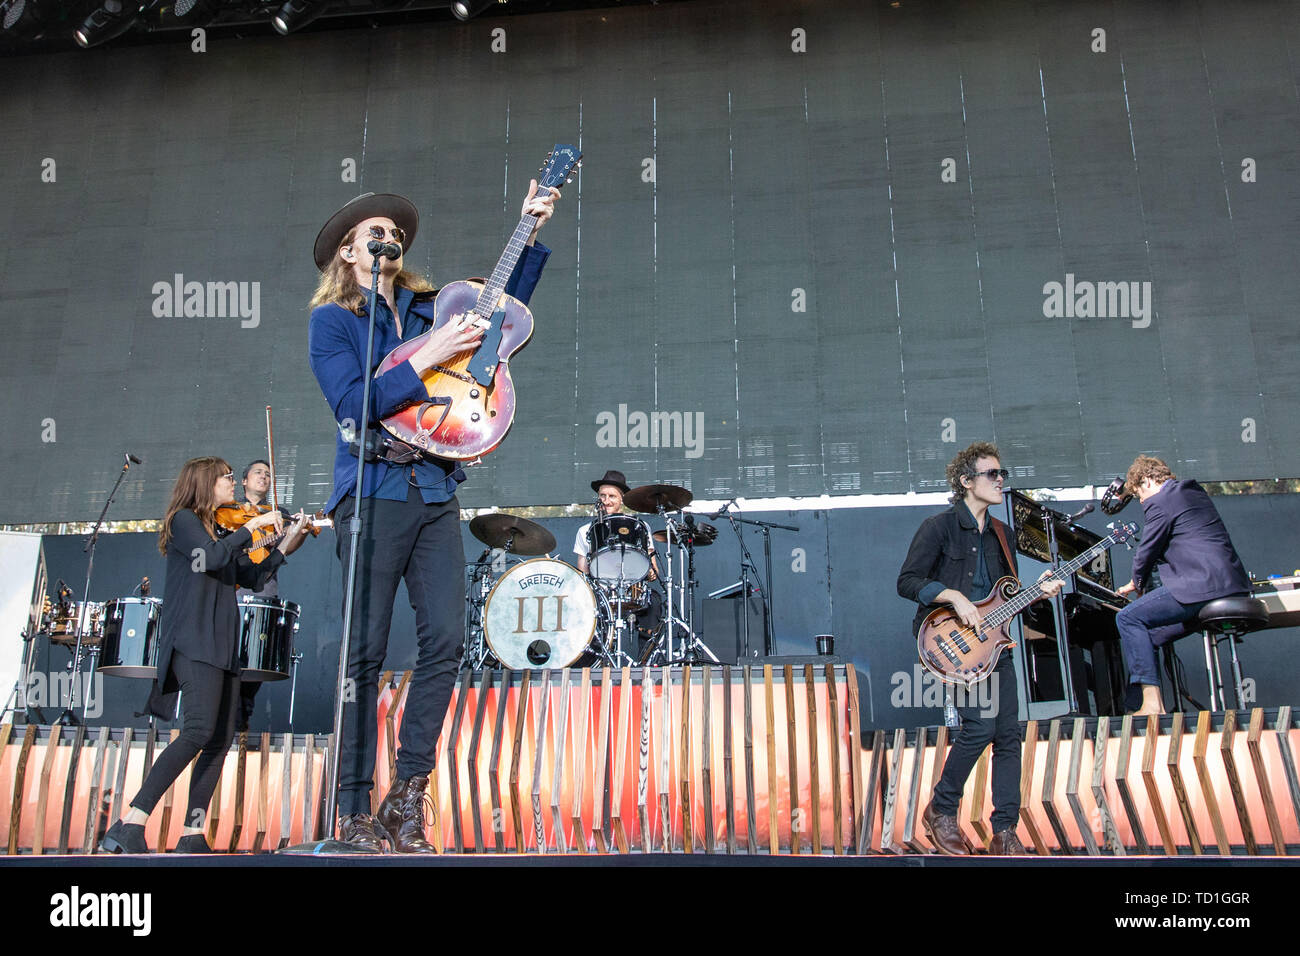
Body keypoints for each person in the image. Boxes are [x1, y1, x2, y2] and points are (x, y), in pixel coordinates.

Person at [308, 184, 559, 852]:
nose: (387, 236)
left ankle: (406, 796)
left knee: (445, 641)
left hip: (435, 492)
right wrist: (426, 353)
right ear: (347, 250)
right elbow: (354, 404)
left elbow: (505, 311)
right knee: (363, 653)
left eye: (394, 230)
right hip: (370, 492)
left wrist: (528, 229)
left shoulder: (429, 307)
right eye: (373, 231)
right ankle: (352, 810)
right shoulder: (334, 323)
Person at [101, 457, 306, 854]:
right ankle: (130, 823)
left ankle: (191, 833)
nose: (232, 483)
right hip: (194, 641)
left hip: (223, 644)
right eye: (227, 477)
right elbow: (211, 558)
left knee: (219, 738)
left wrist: (284, 545)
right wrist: (249, 529)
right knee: (197, 731)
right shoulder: (184, 521)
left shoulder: (216, 530)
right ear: (205, 482)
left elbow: (251, 576)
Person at [897, 441, 1062, 856]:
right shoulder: (938, 527)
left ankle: (1004, 832)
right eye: (992, 474)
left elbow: (1006, 598)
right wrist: (952, 595)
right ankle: (942, 810)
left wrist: (1038, 593)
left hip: (995, 646)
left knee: (1009, 735)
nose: (1000, 480)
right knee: (980, 728)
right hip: (953, 643)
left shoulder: (1003, 535)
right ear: (966, 482)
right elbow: (908, 582)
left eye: (1002, 474)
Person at [1115, 455, 1251, 716]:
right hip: (1230, 584)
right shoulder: (1192, 492)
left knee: (1128, 618)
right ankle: (1133, 707)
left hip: (1202, 587)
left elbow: (1146, 551)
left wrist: (1138, 583)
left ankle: (1153, 705)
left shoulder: (1161, 500)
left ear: (1147, 481)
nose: (1142, 502)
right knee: (1148, 637)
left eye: (1139, 494)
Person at [233, 459, 310, 732]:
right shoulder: (229, 512)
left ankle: (241, 724)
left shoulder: (279, 513)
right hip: (232, 595)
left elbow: (286, 549)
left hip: (262, 593)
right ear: (244, 481)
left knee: (254, 661)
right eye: (257, 472)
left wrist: (298, 530)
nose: (263, 477)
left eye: (268, 474)